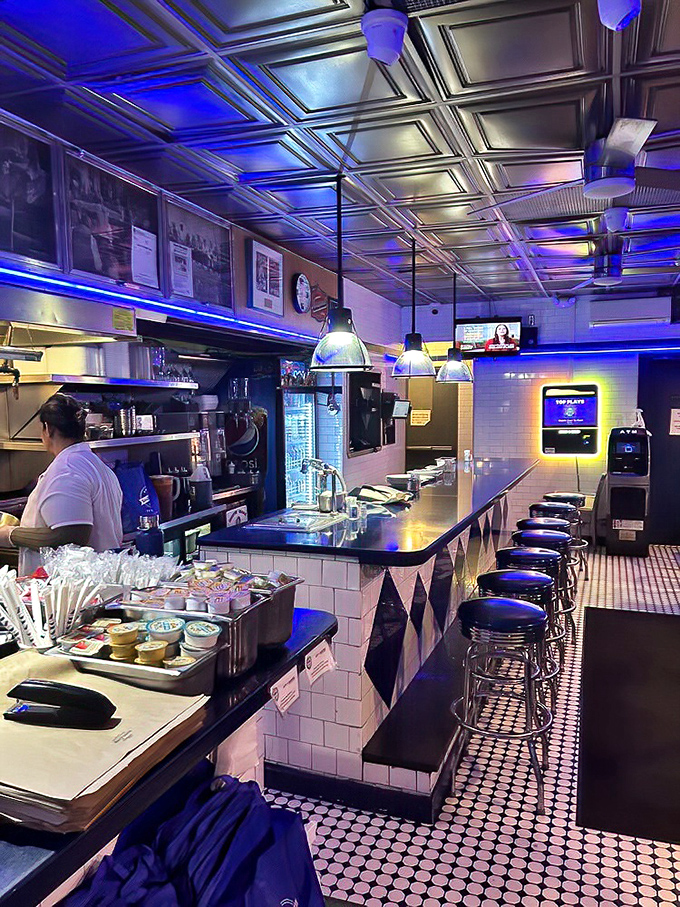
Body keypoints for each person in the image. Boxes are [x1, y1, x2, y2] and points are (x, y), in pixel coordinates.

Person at [0, 393, 123, 575]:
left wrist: (9, 534)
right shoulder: (96, 465)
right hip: (96, 582)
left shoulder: (67, 471)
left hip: (73, 589)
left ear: (47, 429)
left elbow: (70, 537)